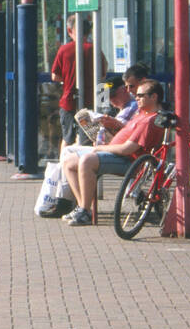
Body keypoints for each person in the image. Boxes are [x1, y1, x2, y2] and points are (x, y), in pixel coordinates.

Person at [58, 79, 167, 226]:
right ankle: (83, 207)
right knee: (69, 161)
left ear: (154, 97)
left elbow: (127, 149)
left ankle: (84, 210)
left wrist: (100, 148)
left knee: (87, 160)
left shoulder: (149, 120)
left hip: (131, 161)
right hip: (118, 153)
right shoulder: (142, 113)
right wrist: (112, 129)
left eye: (141, 95)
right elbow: (127, 134)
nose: (136, 97)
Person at [50, 14, 106, 151]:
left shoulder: (64, 50)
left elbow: (54, 76)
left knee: (67, 139)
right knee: (91, 137)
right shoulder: (95, 49)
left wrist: (68, 79)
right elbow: (103, 75)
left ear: (70, 31)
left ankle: (64, 168)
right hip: (90, 102)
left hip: (69, 101)